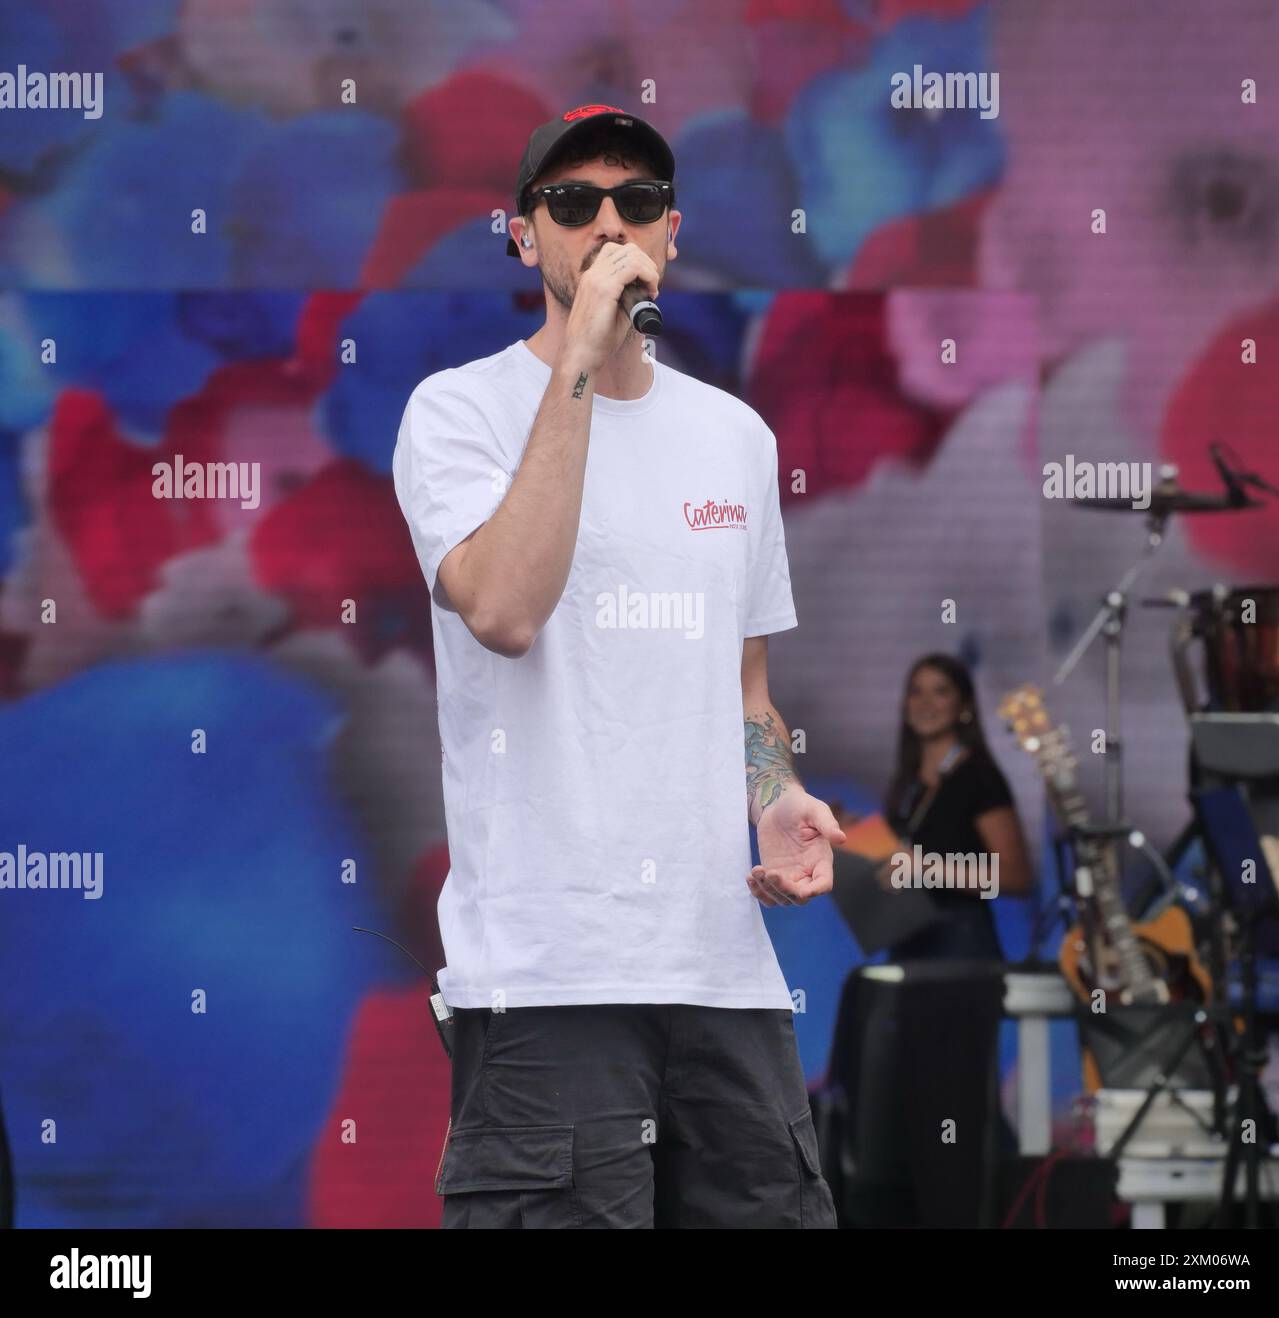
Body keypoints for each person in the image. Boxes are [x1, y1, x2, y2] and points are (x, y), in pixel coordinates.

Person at [392, 105, 843, 1228]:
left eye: (636, 203)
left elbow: (744, 686)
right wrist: (582, 365)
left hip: (721, 978)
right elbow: (502, 608)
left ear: (672, 234)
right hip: (550, 977)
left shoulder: (735, 436)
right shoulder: (456, 413)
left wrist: (774, 792)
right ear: (520, 232)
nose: (607, 224)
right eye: (572, 201)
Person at [878, 653, 1033, 961]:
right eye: (916, 691)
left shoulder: (978, 776)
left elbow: (1017, 878)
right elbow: (897, 861)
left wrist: (926, 868)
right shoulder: (908, 783)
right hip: (907, 945)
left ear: (964, 706)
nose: (926, 703)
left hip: (961, 951)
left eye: (941, 691)